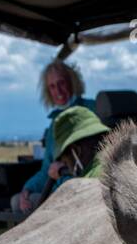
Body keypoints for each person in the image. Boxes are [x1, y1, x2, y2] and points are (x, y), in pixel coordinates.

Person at [11, 60, 96, 220]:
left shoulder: (91, 109)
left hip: (80, 188)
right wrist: (27, 189)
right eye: (52, 87)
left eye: (61, 83)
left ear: (72, 82)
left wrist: (64, 170)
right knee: (19, 200)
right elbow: (46, 171)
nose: (58, 91)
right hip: (59, 189)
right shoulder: (54, 126)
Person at [51, 106, 111, 181]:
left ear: (76, 150)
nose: (68, 168)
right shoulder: (125, 159)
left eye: (65, 162)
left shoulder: (91, 182)